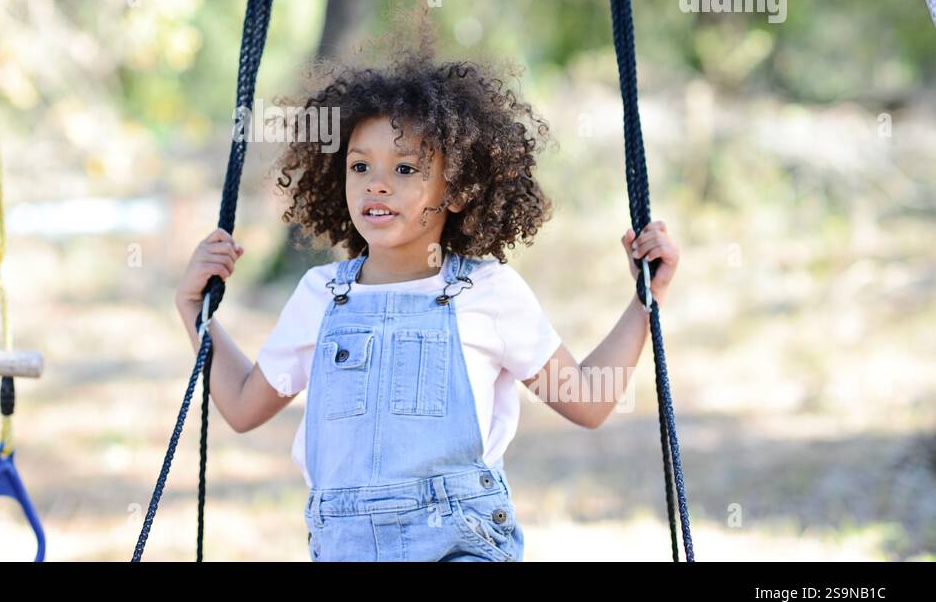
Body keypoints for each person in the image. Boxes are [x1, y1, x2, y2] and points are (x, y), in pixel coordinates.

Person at [173, 37, 679, 561]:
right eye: (360, 166)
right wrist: (196, 312)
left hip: (460, 543)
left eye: (406, 169)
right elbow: (241, 404)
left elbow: (589, 401)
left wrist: (645, 303)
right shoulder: (321, 296)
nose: (377, 186)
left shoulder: (487, 293)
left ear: (456, 190)